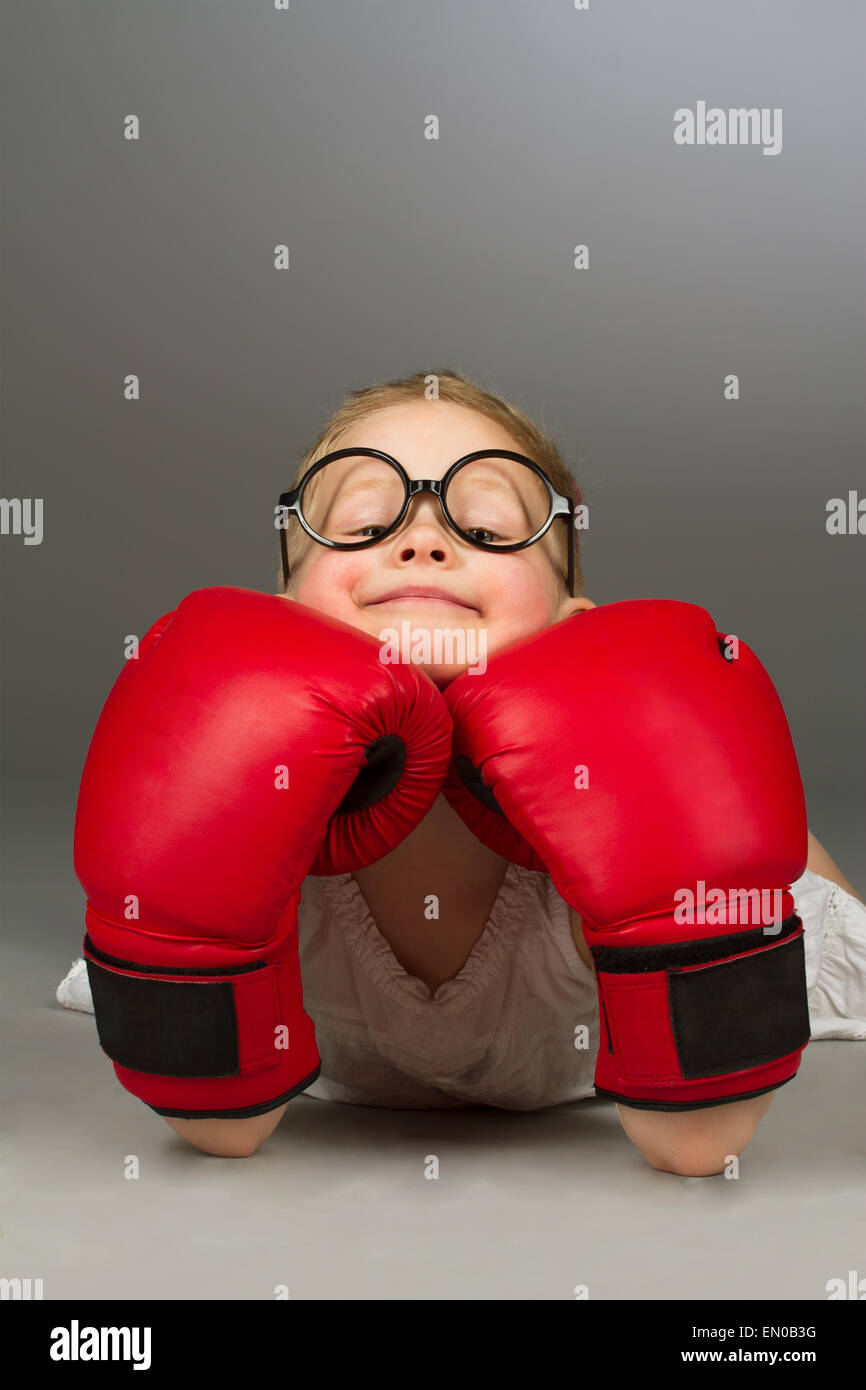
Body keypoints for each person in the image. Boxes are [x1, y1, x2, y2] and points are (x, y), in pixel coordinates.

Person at [59, 368, 866, 1171]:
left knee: (763, 857)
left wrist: (686, 844)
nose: (421, 540)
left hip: (661, 849)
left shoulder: (628, 804)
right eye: (364, 524)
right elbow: (221, 1128)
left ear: (573, 623)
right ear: (285, 613)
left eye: (484, 530)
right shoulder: (247, 785)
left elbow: (698, 1143)